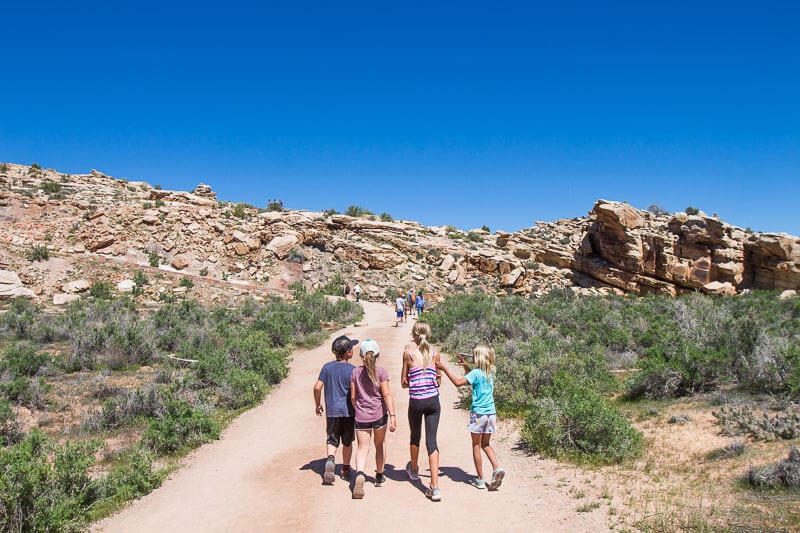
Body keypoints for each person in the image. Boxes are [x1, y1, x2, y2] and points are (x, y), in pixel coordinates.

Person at [436, 343, 505, 490]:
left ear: (478, 358)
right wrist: (465, 366)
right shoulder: (491, 371)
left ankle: (480, 479)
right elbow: (475, 379)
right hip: (491, 413)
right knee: (486, 444)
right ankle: (497, 468)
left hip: (477, 414)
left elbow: (458, 383)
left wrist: (445, 368)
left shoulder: (476, 373)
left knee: (476, 445)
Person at [349, 339, 397, 499]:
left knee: (363, 448)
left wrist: (358, 409)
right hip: (379, 415)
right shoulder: (381, 372)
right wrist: (392, 415)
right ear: (378, 355)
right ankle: (379, 475)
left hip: (361, 416)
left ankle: (360, 473)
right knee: (379, 445)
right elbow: (386, 394)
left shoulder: (355, 372)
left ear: (361, 355)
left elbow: (353, 396)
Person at [401, 321, 443, 501]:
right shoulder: (435, 354)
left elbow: (403, 382)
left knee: (415, 436)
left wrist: (414, 381)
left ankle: (415, 469)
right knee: (432, 441)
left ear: (414, 335)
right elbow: (438, 381)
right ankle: (434, 486)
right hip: (433, 401)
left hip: (417, 401)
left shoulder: (408, 355)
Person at [313, 335, 358, 484]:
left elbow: (317, 387)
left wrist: (318, 404)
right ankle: (345, 469)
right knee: (347, 441)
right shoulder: (353, 370)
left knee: (332, 439)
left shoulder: (327, 368)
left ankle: (331, 459)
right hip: (348, 412)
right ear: (348, 352)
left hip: (332, 412)